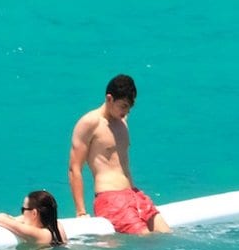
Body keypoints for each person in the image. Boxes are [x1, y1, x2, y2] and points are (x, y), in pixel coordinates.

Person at [69, 74, 171, 234]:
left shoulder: (122, 121)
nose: (126, 111)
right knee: (146, 240)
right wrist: (81, 212)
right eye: (123, 106)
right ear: (109, 98)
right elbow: (74, 168)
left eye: (129, 107)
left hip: (134, 195)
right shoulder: (89, 123)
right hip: (110, 199)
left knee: (166, 235)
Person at [0, 188, 67, 247]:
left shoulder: (39, 234)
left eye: (23, 210)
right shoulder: (57, 225)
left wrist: (15, 219)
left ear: (34, 213)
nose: (22, 214)